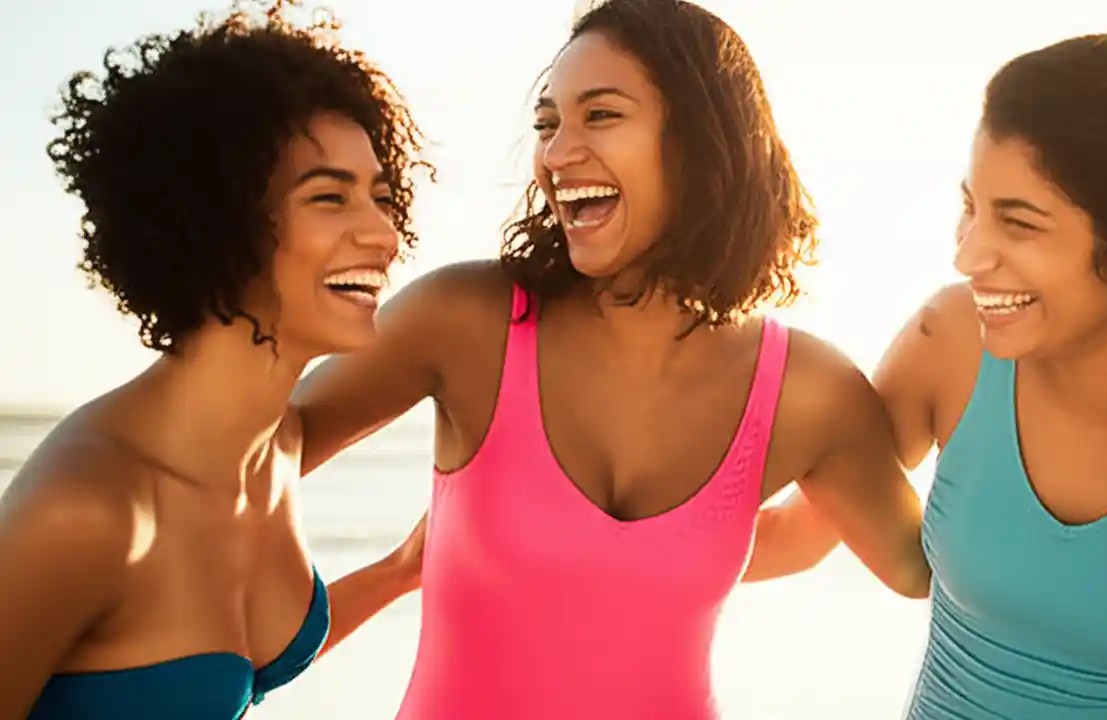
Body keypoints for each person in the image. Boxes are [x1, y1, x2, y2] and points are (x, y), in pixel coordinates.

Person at [291, 1, 929, 717]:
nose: (558, 153)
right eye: (546, 123)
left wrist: (945, 367)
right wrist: (386, 577)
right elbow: (243, 462)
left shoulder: (807, 391)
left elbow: (909, 565)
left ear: (701, 140)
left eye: (600, 115)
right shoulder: (465, 321)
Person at [758, 33, 1107, 719]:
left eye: (1019, 223)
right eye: (972, 206)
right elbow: (798, 534)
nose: (969, 255)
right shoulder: (952, 346)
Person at [0, 2, 430, 718]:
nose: (383, 232)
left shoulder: (276, 448)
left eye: (382, 197)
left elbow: (218, 678)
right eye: (330, 197)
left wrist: (398, 573)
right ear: (215, 221)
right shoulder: (90, 507)